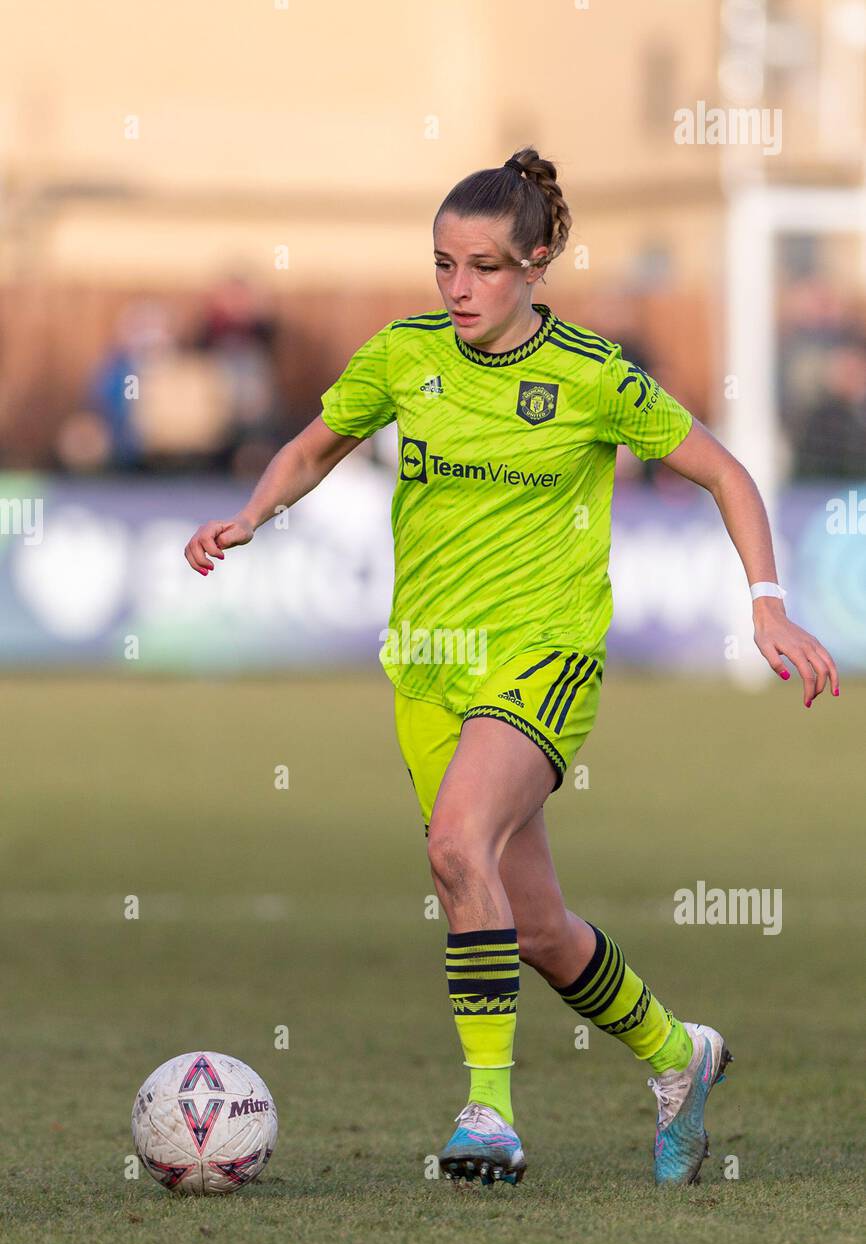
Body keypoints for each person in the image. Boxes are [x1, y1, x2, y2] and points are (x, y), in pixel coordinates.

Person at [183, 148, 840, 1188]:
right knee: (525, 921)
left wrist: (766, 605)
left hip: (545, 655)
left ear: (537, 264)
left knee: (455, 845)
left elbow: (722, 471)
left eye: (482, 267)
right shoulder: (403, 355)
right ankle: (680, 1056)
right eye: (442, 264)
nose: (456, 289)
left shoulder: (589, 375)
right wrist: (252, 513)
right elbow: (315, 444)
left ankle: (486, 1114)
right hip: (427, 670)